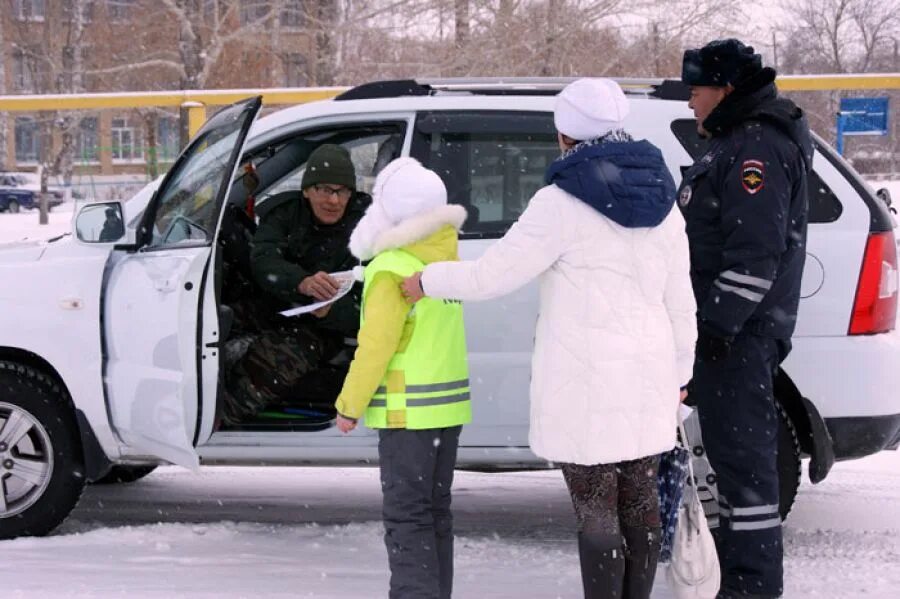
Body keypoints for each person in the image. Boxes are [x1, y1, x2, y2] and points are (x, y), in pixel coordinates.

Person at [401, 78, 697, 599]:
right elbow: (681, 302)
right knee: (639, 500)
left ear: (564, 135)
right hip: (649, 375)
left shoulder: (560, 202)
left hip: (586, 381)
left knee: (596, 507)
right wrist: (681, 374)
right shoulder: (664, 202)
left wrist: (426, 281)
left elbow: (490, 276)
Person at [678, 39, 812, 599]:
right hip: (729, 333)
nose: (690, 100)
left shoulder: (755, 149)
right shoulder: (735, 140)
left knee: (747, 472)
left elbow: (757, 253)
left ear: (726, 88)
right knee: (734, 468)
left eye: (698, 88)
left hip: (739, 336)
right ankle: (740, 580)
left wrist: (717, 327)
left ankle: (753, 588)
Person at [334, 157, 471, 599]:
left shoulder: (392, 266)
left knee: (407, 517)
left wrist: (348, 405)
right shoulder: (446, 257)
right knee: (435, 513)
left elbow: (376, 346)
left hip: (406, 416)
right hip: (447, 411)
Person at [221, 144, 370, 425]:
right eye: (325, 189)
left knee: (273, 361)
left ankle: (221, 419)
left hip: (323, 328)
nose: (334, 201)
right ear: (307, 190)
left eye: (342, 191)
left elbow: (374, 306)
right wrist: (300, 282)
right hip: (277, 303)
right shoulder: (285, 214)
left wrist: (331, 312)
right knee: (214, 323)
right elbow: (264, 259)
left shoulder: (367, 229)